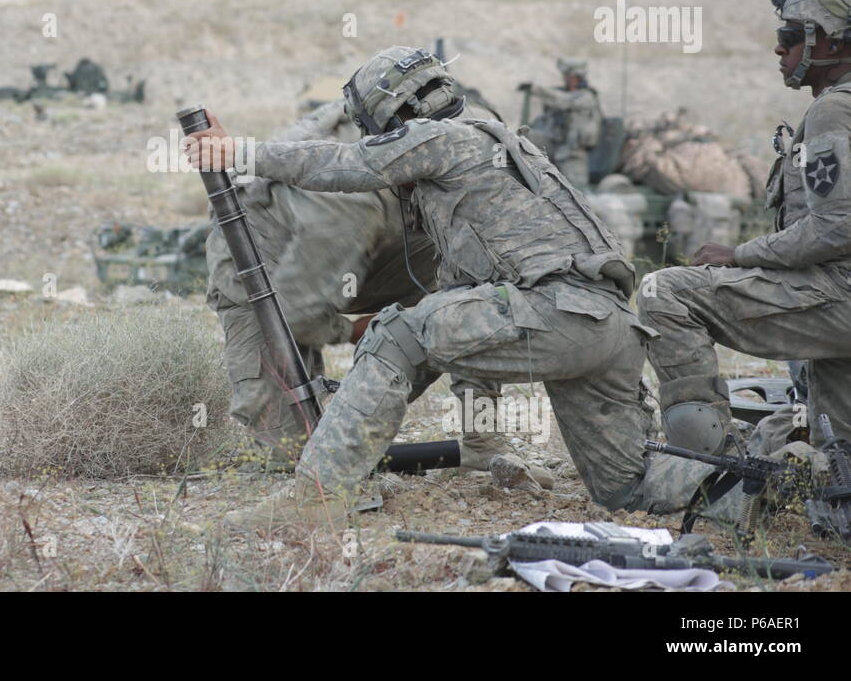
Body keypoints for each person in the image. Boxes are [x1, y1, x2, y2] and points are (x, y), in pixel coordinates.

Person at [185, 47, 709, 530]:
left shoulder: (439, 138)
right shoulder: (503, 153)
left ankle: (315, 498)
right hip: (607, 327)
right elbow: (463, 311)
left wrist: (236, 151)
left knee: (396, 331)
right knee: (627, 489)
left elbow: (349, 164)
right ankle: (746, 485)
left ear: (393, 125)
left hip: (557, 313)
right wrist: (468, 438)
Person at [206, 99, 531, 477]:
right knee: (289, 459)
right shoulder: (349, 200)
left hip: (382, 253)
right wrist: (358, 330)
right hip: (269, 267)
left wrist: (483, 443)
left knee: (475, 296)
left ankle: (477, 446)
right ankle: (340, 427)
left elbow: (485, 290)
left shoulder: (478, 142)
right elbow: (297, 316)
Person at [639, 0, 851, 457]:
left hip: (838, 296)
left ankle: (715, 469)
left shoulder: (834, 109)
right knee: (836, 462)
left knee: (663, 291)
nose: (781, 48)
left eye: (793, 34)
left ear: (835, 43)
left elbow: (836, 226)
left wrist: (740, 253)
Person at [519, 58, 602, 186]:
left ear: (577, 77)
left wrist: (537, 89)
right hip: (553, 144)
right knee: (522, 137)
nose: (565, 78)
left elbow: (563, 101)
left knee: (576, 190)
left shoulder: (586, 97)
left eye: (569, 76)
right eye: (566, 76)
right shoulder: (563, 92)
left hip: (572, 153)